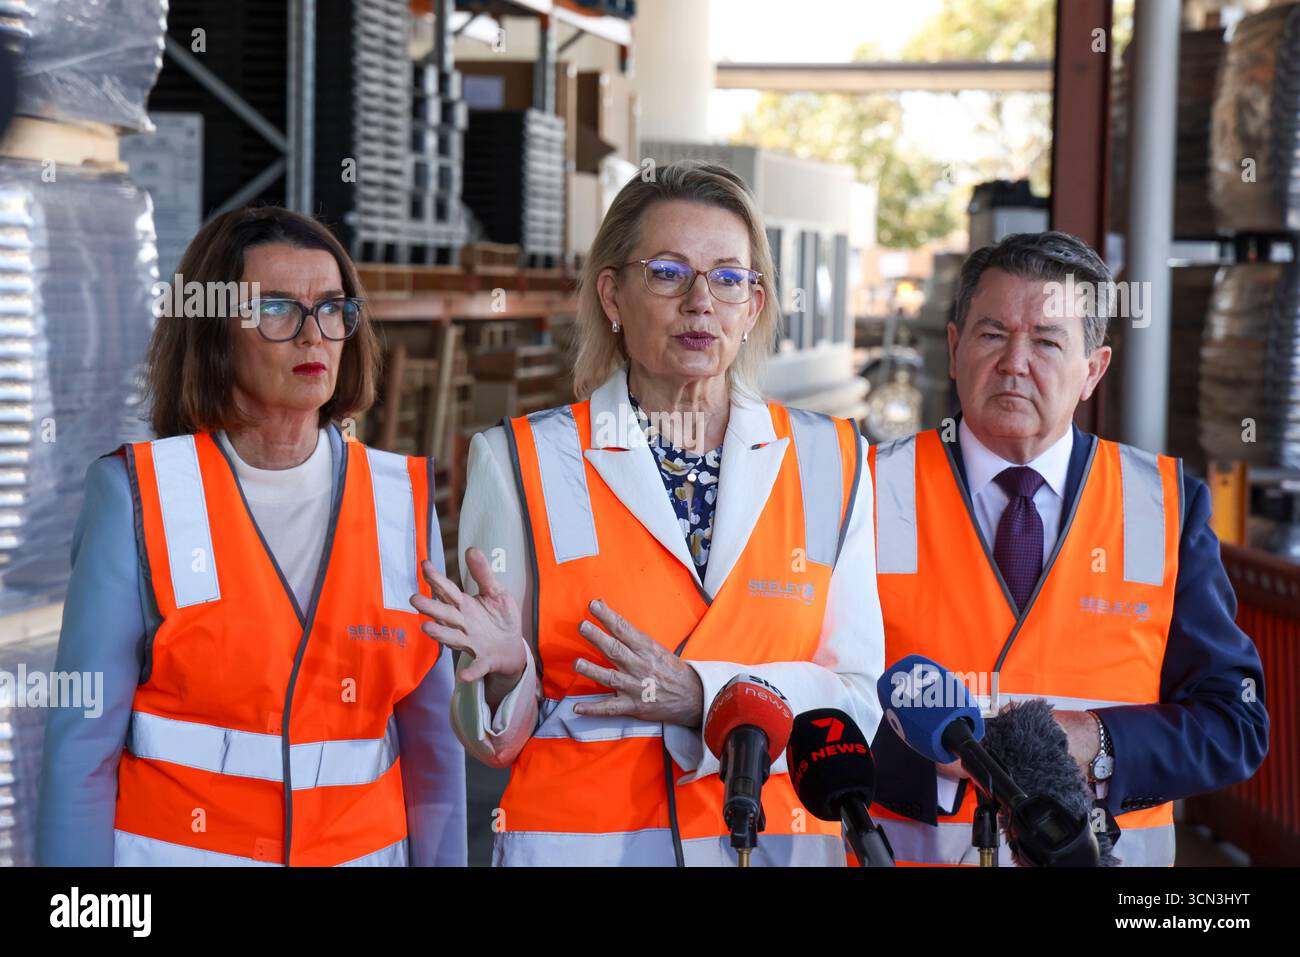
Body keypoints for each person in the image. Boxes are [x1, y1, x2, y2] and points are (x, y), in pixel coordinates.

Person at [412, 161, 885, 866]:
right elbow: (492, 740)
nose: (701, 302)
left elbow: (856, 700)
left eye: (728, 278)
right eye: (668, 271)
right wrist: (509, 674)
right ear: (613, 293)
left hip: (774, 848)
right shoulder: (518, 462)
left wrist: (704, 693)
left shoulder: (831, 459)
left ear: (752, 306)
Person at [36, 206, 466, 866]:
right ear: (215, 333)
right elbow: (79, 757)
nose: (312, 336)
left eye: (331, 309)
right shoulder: (139, 497)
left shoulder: (398, 501)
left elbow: (434, 747)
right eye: (277, 310)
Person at [867, 230, 1269, 866]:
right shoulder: (867, 487)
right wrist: (951, 764)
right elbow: (821, 703)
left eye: (1048, 341)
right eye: (992, 334)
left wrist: (1095, 740)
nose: (1014, 362)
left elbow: (1234, 725)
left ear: (1093, 370)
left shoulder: (1163, 503)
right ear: (953, 348)